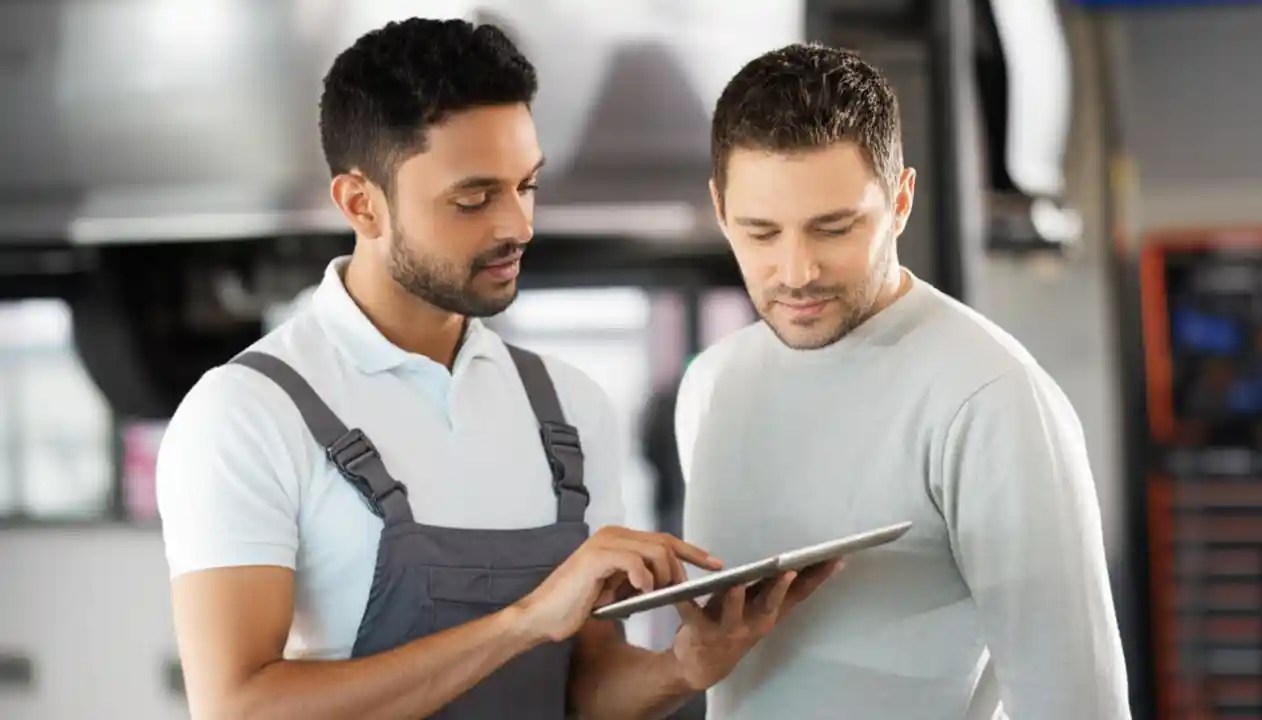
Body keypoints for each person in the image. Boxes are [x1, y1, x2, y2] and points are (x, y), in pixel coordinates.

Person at [156, 19, 839, 720]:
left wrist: (684, 668)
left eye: (527, 185)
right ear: (362, 204)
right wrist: (524, 620)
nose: (518, 225)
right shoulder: (247, 413)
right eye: (474, 198)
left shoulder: (569, 409)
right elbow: (241, 707)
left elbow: (585, 687)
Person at [675, 43, 1131, 719]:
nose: (796, 271)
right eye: (761, 232)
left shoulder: (991, 397)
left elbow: (1077, 704)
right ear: (719, 210)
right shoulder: (712, 384)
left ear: (901, 201)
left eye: (833, 228)